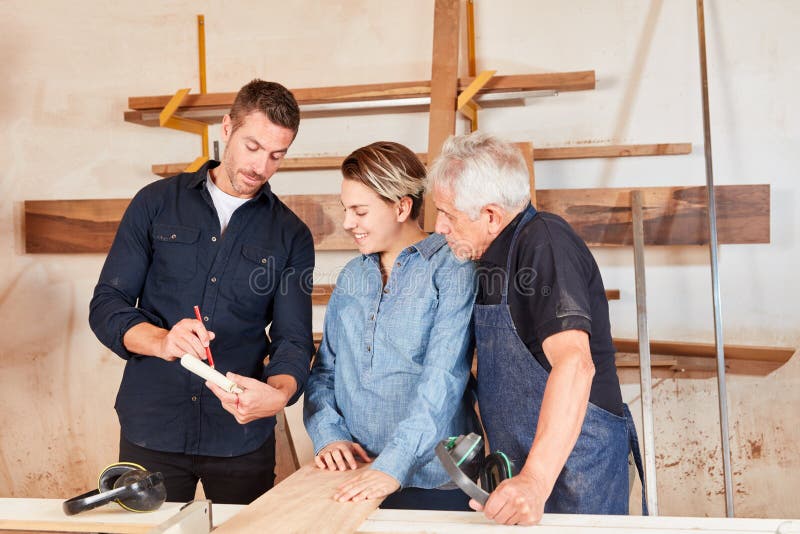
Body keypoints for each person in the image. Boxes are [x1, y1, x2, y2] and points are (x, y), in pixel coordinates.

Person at [89, 79, 315, 505]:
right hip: (152, 425)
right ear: (226, 128)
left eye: (276, 155)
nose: (261, 166)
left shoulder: (292, 235)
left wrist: (279, 394)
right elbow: (106, 306)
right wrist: (161, 339)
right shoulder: (155, 203)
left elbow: (293, 340)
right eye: (252, 146)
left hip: (241, 437)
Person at [428, 132, 645, 525]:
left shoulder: (545, 243)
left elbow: (576, 364)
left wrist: (535, 480)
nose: (439, 226)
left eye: (448, 214)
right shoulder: (490, 258)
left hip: (576, 468)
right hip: (523, 464)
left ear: (491, 216)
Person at [303, 141, 478, 511]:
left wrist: (394, 466)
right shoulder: (351, 276)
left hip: (435, 480)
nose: (348, 223)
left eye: (360, 211)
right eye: (345, 209)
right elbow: (324, 373)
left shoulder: (452, 269)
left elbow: (443, 379)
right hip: (354, 475)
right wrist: (328, 436)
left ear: (402, 207)